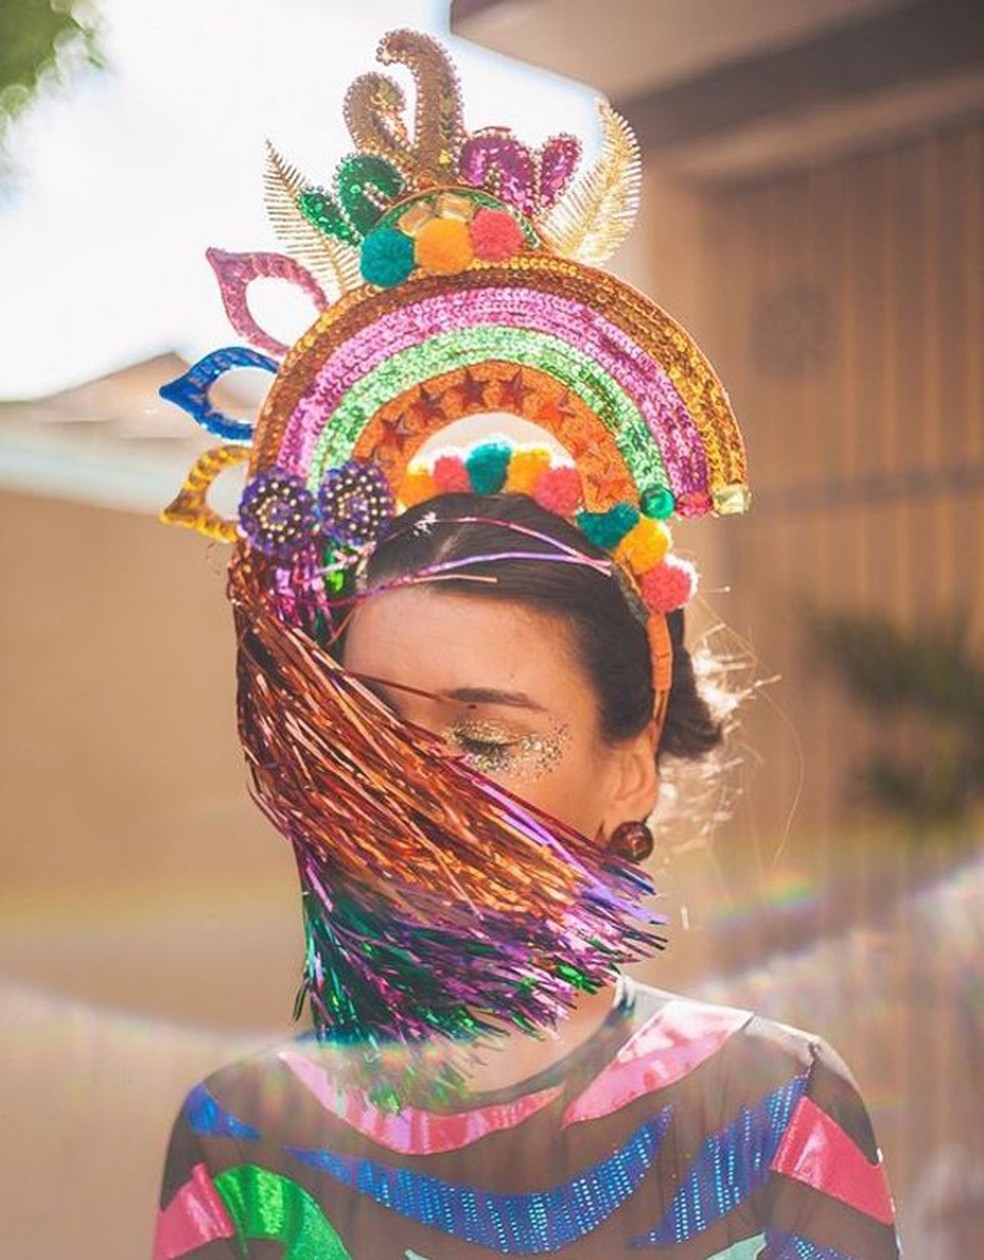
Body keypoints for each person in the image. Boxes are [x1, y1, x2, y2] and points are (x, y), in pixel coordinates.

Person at [153, 28, 901, 1260]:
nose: (411, 785)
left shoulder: (771, 1111)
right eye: (370, 728)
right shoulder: (244, 1140)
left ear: (630, 767)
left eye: (486, 736)